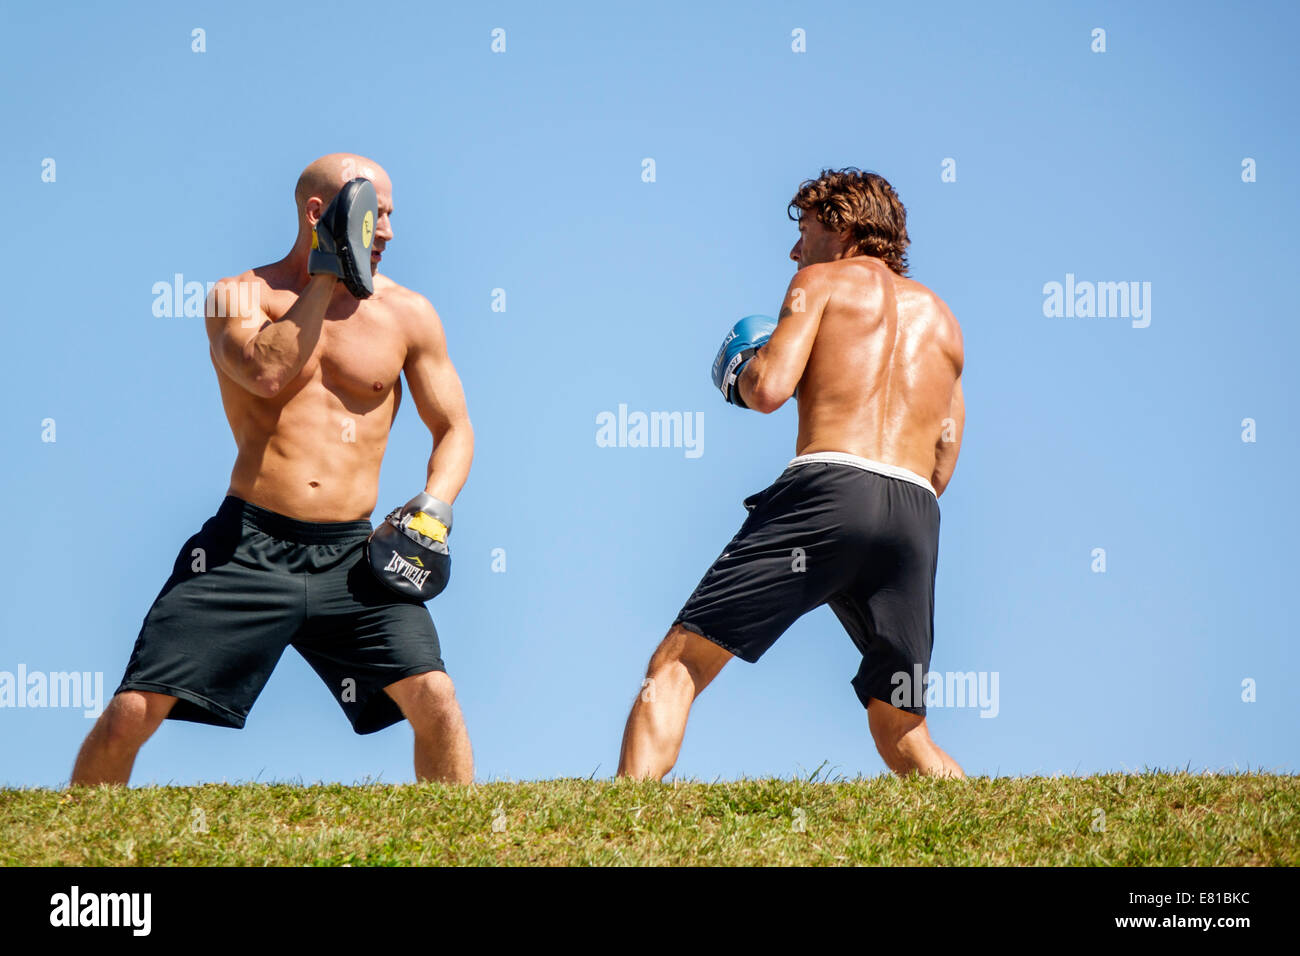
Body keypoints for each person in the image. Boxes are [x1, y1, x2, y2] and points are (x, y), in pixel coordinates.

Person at [71, 153, 474, 785]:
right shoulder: (241, 296)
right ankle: (75, 839)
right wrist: (325, 276)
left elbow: (454, 429)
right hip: (245, 547)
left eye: (392, 216)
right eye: (373, 215)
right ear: (320, 214)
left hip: (353, 558)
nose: (389, 232)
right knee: (132, 712)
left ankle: (459, 839)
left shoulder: (408, 314)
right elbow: (266, 372)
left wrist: (436, 503)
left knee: (436, 700)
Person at [618, 168, 966, 780]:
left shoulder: (819, 283)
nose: (794, 250)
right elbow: (943, 458)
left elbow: (769, 389)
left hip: (827, 488)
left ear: (842, 225)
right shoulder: (943, 320)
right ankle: (980, 826)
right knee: (903, 727)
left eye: (803, 231)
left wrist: (743, 366)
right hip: (915, 514)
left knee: (677, 664)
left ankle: (620, 819)